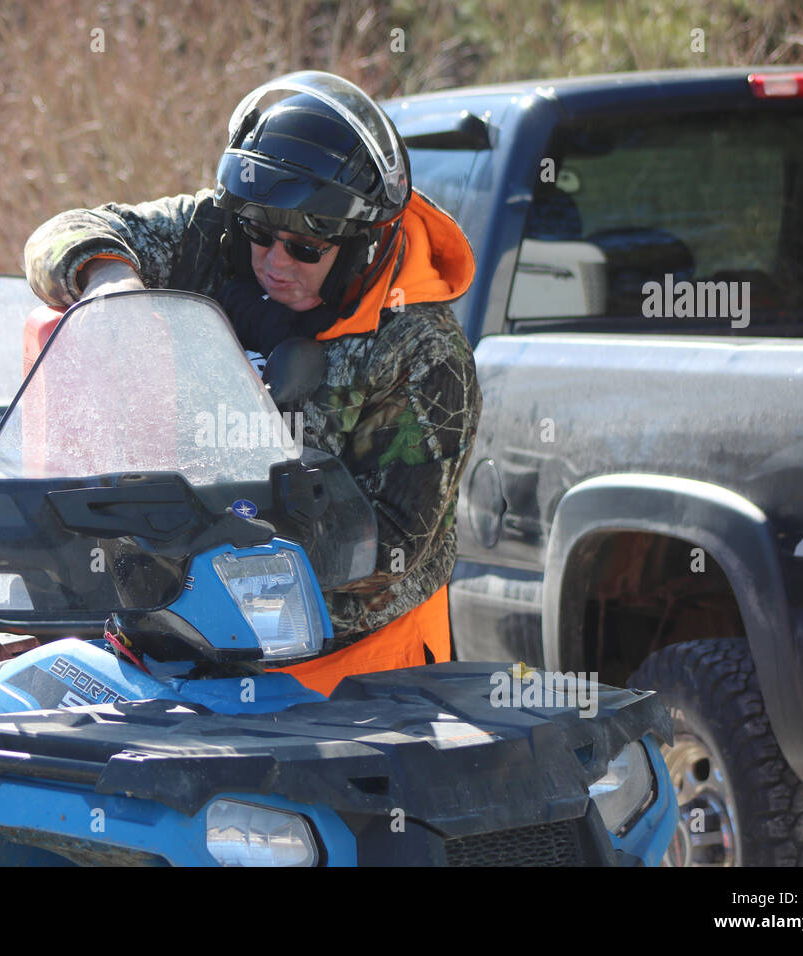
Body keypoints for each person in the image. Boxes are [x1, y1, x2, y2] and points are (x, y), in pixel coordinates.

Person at [24, 71, 481, 695]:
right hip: (174, 642)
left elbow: (389, 552)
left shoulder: (422, 352)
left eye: (303, 249)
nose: (273, 261)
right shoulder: (214, 234)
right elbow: (62, 234)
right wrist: (108, 282)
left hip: (355, 669)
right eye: (260, 236)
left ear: (362, 246)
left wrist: (213, 544)